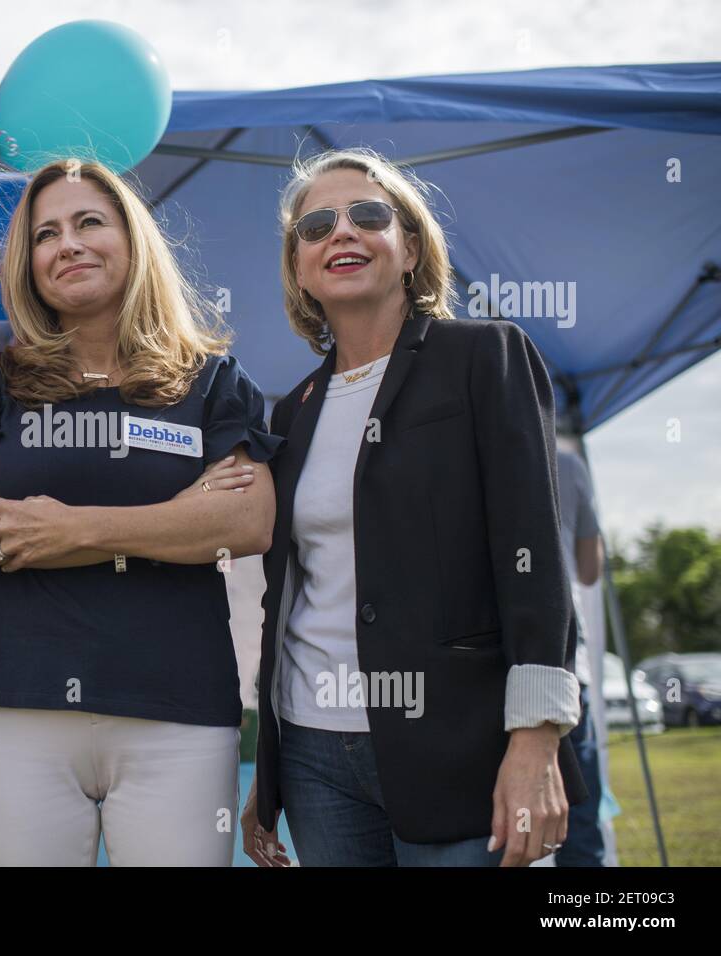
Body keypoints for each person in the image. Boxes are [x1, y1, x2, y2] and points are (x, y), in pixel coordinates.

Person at [0, 159, 281, 866]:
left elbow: (245, 523)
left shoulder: (212, 382)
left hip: (179, 715)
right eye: (46, 234)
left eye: (89, 223)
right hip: (17, 711)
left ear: (133, 241)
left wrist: (70, 528)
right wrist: (175, 520)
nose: (68, 244)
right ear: (30, 265)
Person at [240, 148, 587, 867]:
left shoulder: (485, 356)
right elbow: (290, 594)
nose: (341, 233)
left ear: (411, 248)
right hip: (313, 756)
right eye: (316, 227)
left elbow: (533, 558)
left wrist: (536, 735)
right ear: (298, 266)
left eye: (368, 215)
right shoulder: (289, 416)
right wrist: (268, 770)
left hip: (464, 744)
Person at [554, 444, 608, 867]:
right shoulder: (567, 461)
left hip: (486, 661)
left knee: (484, 828)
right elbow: (589, 570)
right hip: (566, 659)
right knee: (581, 824)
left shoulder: (457, 445)